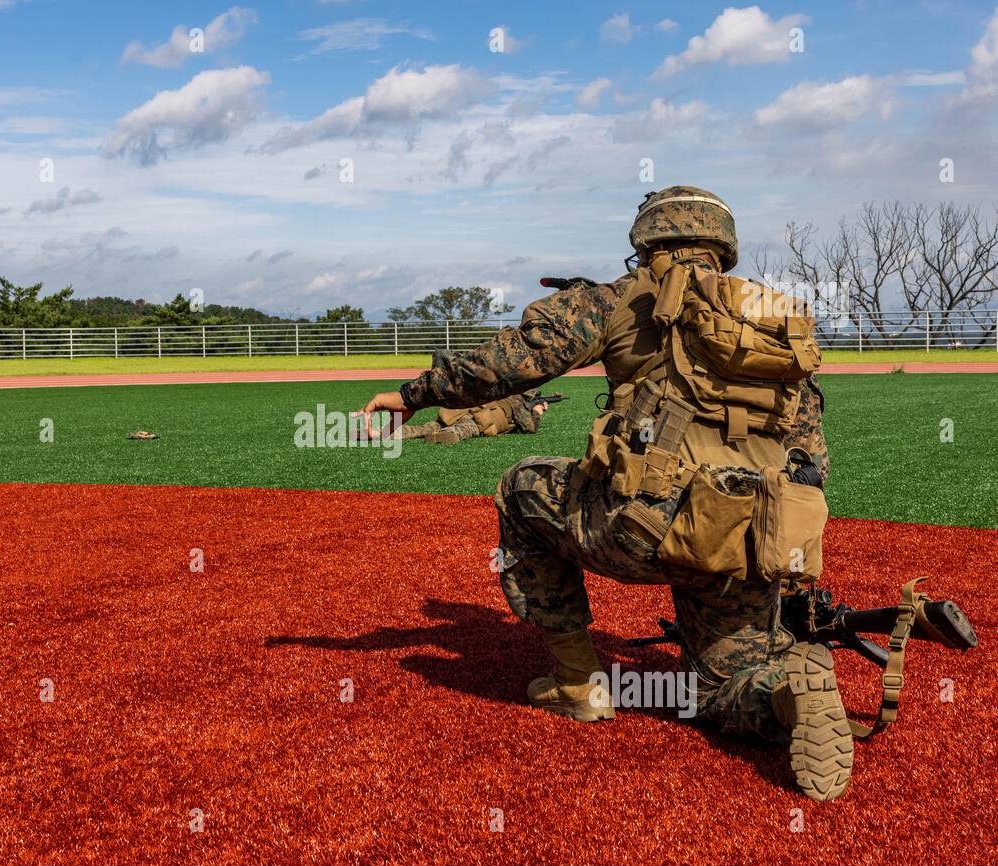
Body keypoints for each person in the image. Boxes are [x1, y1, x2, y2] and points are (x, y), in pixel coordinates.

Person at [355, 186, 851, 801]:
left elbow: (511, 363)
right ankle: (783, 694)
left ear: (648, 240)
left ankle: (577, 683)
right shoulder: (779, 320)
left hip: (642, 527)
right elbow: (810, 461)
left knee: (521, 489)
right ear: (724, 244)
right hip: (751, 541)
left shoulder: (622, 299)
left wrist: (413, 394)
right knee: (719, 688)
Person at [398, 389, 551, 444]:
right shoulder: (518, 400)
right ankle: (443, 436)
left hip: (464, 410)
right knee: (465, 429)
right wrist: (537, 411)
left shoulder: (505, 390)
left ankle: (387, 432)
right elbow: (528, 428)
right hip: (483, 417)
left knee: (426, 427)